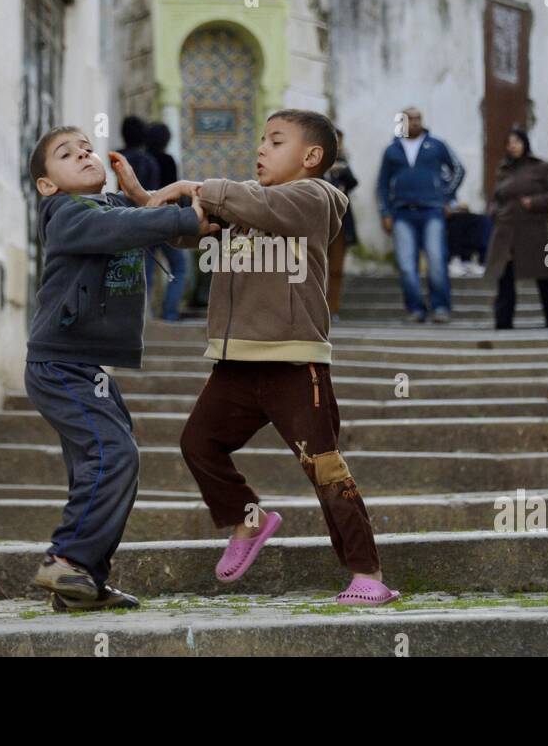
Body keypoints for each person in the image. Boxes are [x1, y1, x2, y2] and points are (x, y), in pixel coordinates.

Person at [144, 109, 398, 606]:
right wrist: (148, 200)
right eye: (261, 139)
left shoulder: (316, 198)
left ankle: (367, 573)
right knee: (198, 443)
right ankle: (248, 518)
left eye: (275, 141)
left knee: (323, 466)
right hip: (236, 365)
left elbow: (253, 204)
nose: (260, 148)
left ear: (311, 157)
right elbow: (186, 230)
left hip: (293, 363)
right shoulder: (245, 209)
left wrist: (194, 183)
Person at [25, 126, 204, 612]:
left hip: (86, 367)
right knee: (113, 454)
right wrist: (175, 215)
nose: (82, 153)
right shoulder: (64, 214)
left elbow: (157, 226)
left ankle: (83, 584)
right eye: (66, 154)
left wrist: (163, 204)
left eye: (86, 147)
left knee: (104, 464)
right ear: (47, 184)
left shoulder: (109, 208)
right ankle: (67, 558)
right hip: (58, 363)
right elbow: (132, 229)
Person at [377, 106, 465, 323]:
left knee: (436, 260)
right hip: (402, 214)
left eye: (417, 118)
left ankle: (441, 307)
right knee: (407, 265)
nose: (414, 122)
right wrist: (385, 212)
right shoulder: (392, 150)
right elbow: (382, 185)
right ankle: (415, 309)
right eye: (410, 119)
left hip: (432, 211)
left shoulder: (436, 145)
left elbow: (458, 169)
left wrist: (446, 197)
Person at [484, 127, 548, 329]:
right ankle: (503, 324)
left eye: (517, 142)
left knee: (545, 279)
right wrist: (494, 211)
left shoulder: (541, 167)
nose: (512, 146)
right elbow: (495, 198)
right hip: (506, 233)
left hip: (534, 233)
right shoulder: (503, 169)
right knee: (504, 278)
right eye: (509, 142)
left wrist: (534, 202)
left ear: (525, 144)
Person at [145, 122, 190, 321]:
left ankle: (144, 317)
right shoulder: (168, 161)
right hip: (166, 221)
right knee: (179, 268)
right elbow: (175, 194)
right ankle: (170, 314)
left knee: (144, 273)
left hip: (142, 221)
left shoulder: (142, 160)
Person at [323, 129, 359, 321]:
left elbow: (353, 183)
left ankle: (332, 309)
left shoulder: (343, 163)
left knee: (336, 269)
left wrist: (340, 168)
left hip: (341, 223)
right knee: (316, 269)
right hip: (318, 224)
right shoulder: (313, 164)